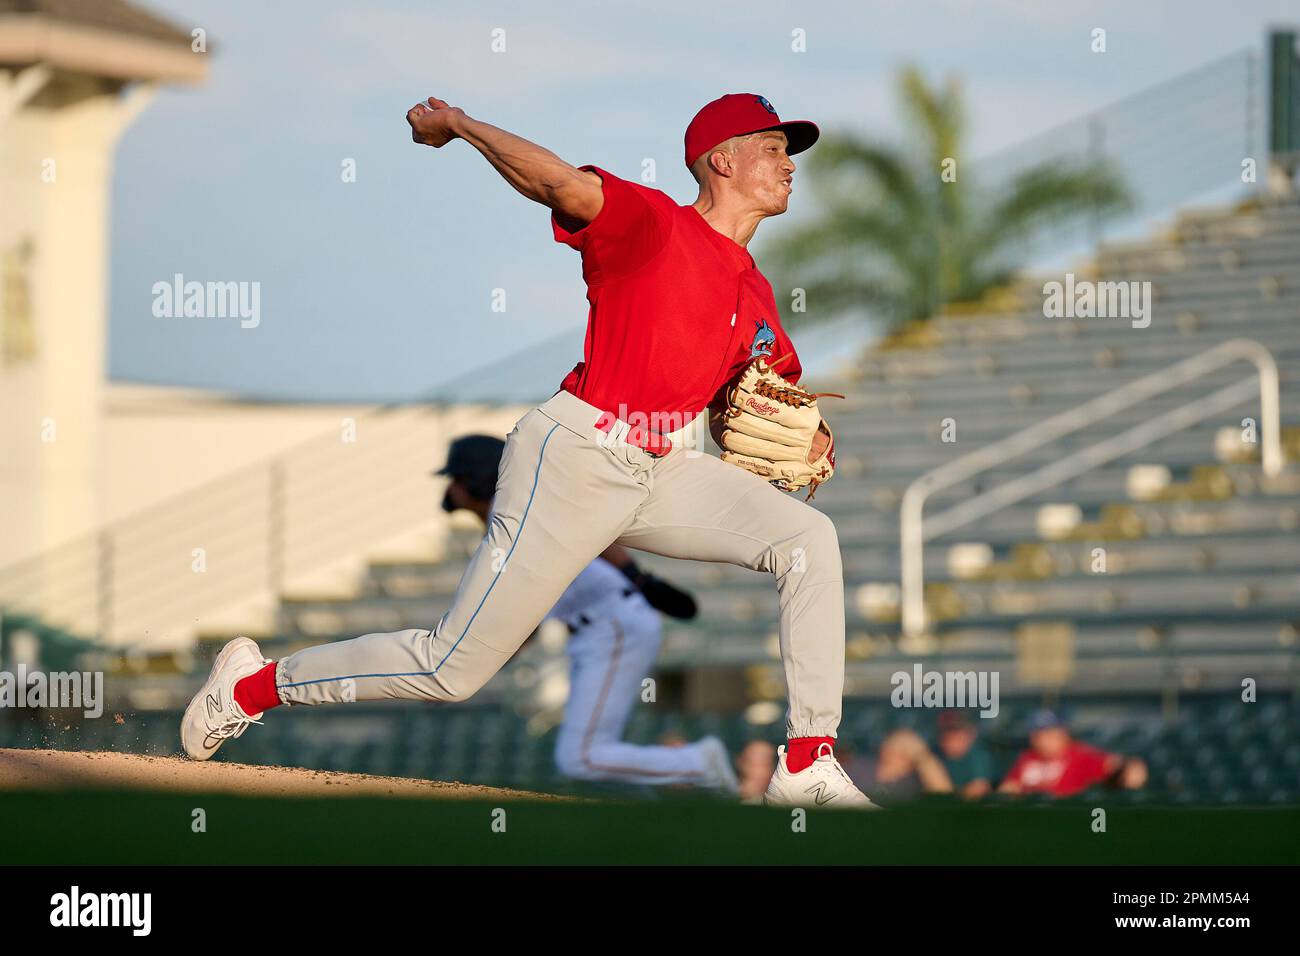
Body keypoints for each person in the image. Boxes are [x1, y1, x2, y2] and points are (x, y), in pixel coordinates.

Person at [181, 91, 872, 808]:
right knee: (452, 668)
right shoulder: (654, 226)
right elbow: (557, 181)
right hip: (578, 454)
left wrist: (811, 433)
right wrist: (462, 126)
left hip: (663, 469)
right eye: (772, 146)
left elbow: (760, 401)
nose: (787, 163)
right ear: (721, 160)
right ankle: (252, 685)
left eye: (788, 151)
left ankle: (807, 762)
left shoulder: (756, 291)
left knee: (807, 539)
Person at [438, 435, 737, 792]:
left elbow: (588, 533)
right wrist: (472, 664)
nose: (450, 486)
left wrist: (638, 577)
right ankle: (664, 794)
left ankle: (697, 764)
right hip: (597, 632)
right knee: (591, 753)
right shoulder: (504, 522)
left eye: (456, 477)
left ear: (475, 479)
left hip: (613, 626)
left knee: (581, 757)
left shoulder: (522, 514)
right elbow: (526, 618)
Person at [998, 710, 1149, 798]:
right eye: (1039, 734)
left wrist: (1131, 767)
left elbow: (1122, 766)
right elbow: (1009, 788)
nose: (1043, 739)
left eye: (1049, 733)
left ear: (1063, 734)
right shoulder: (1028, 757)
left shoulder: (1079, 755)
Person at [855, 728, 952, 804]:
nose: (892, 755)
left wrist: (922, 757)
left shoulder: (914, 782)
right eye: (891, 749)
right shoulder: (861, 768)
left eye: (902, 754)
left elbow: (945, 798)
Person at [936, 710, 995, 800]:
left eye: (956, 731)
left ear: (971, 734)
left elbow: (978, 788)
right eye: (945, 732)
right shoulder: (935, 754)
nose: (950, 738)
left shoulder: (979, 756)